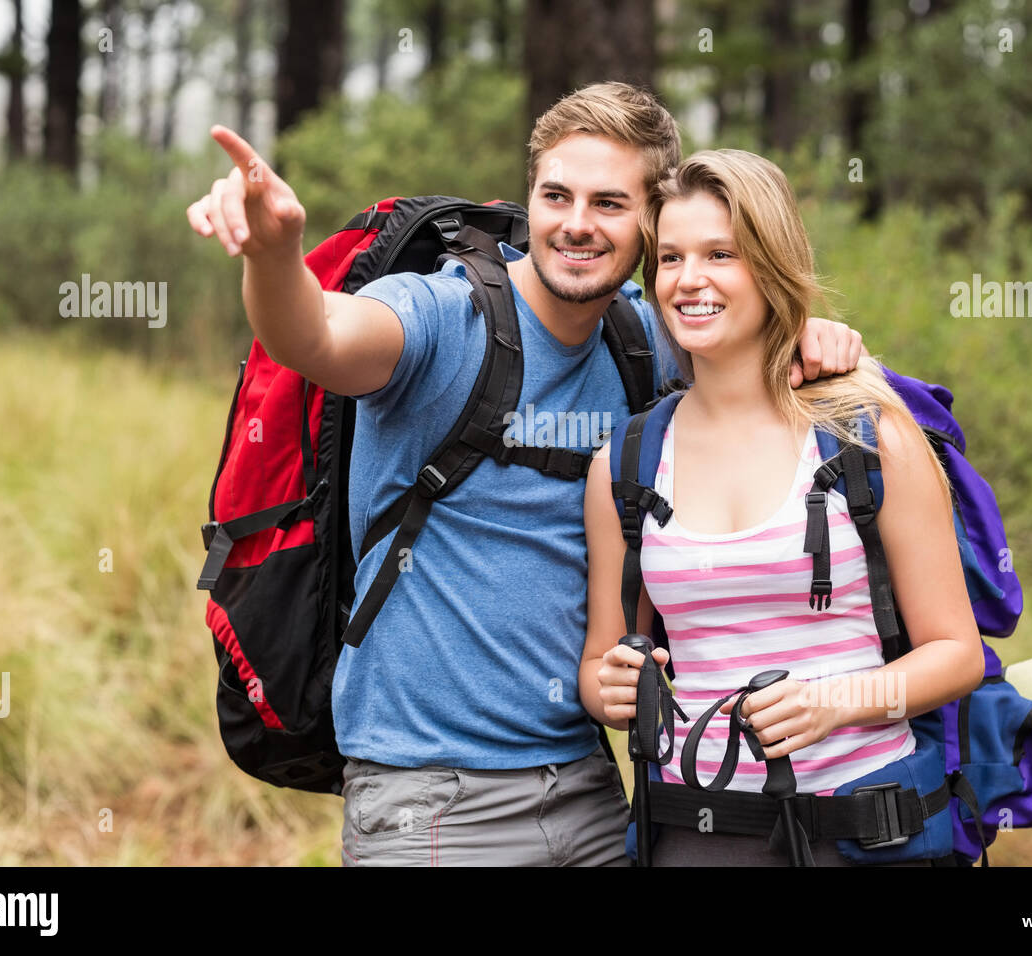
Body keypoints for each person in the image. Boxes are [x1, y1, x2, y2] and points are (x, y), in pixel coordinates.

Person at [185, 84, 866, 866]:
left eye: (610, 202)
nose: (577, 223)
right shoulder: (442, 318)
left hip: (589, 786)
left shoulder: (645, 337)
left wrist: (806, 332)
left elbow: (739, 328)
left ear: (651, 221)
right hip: (429, 801)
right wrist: (275, 260)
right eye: (557, 195)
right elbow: (318, 335)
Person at [581, 149, 985, 866]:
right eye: (670, 258)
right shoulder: (627, 460)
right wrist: (611, 688)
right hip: (693, 832)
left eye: (720, 253)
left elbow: (957, 656)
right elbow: (600, 664)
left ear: (770, 265)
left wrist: (832, 702)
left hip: (864, 829)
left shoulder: (868, 434)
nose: (689, 279)